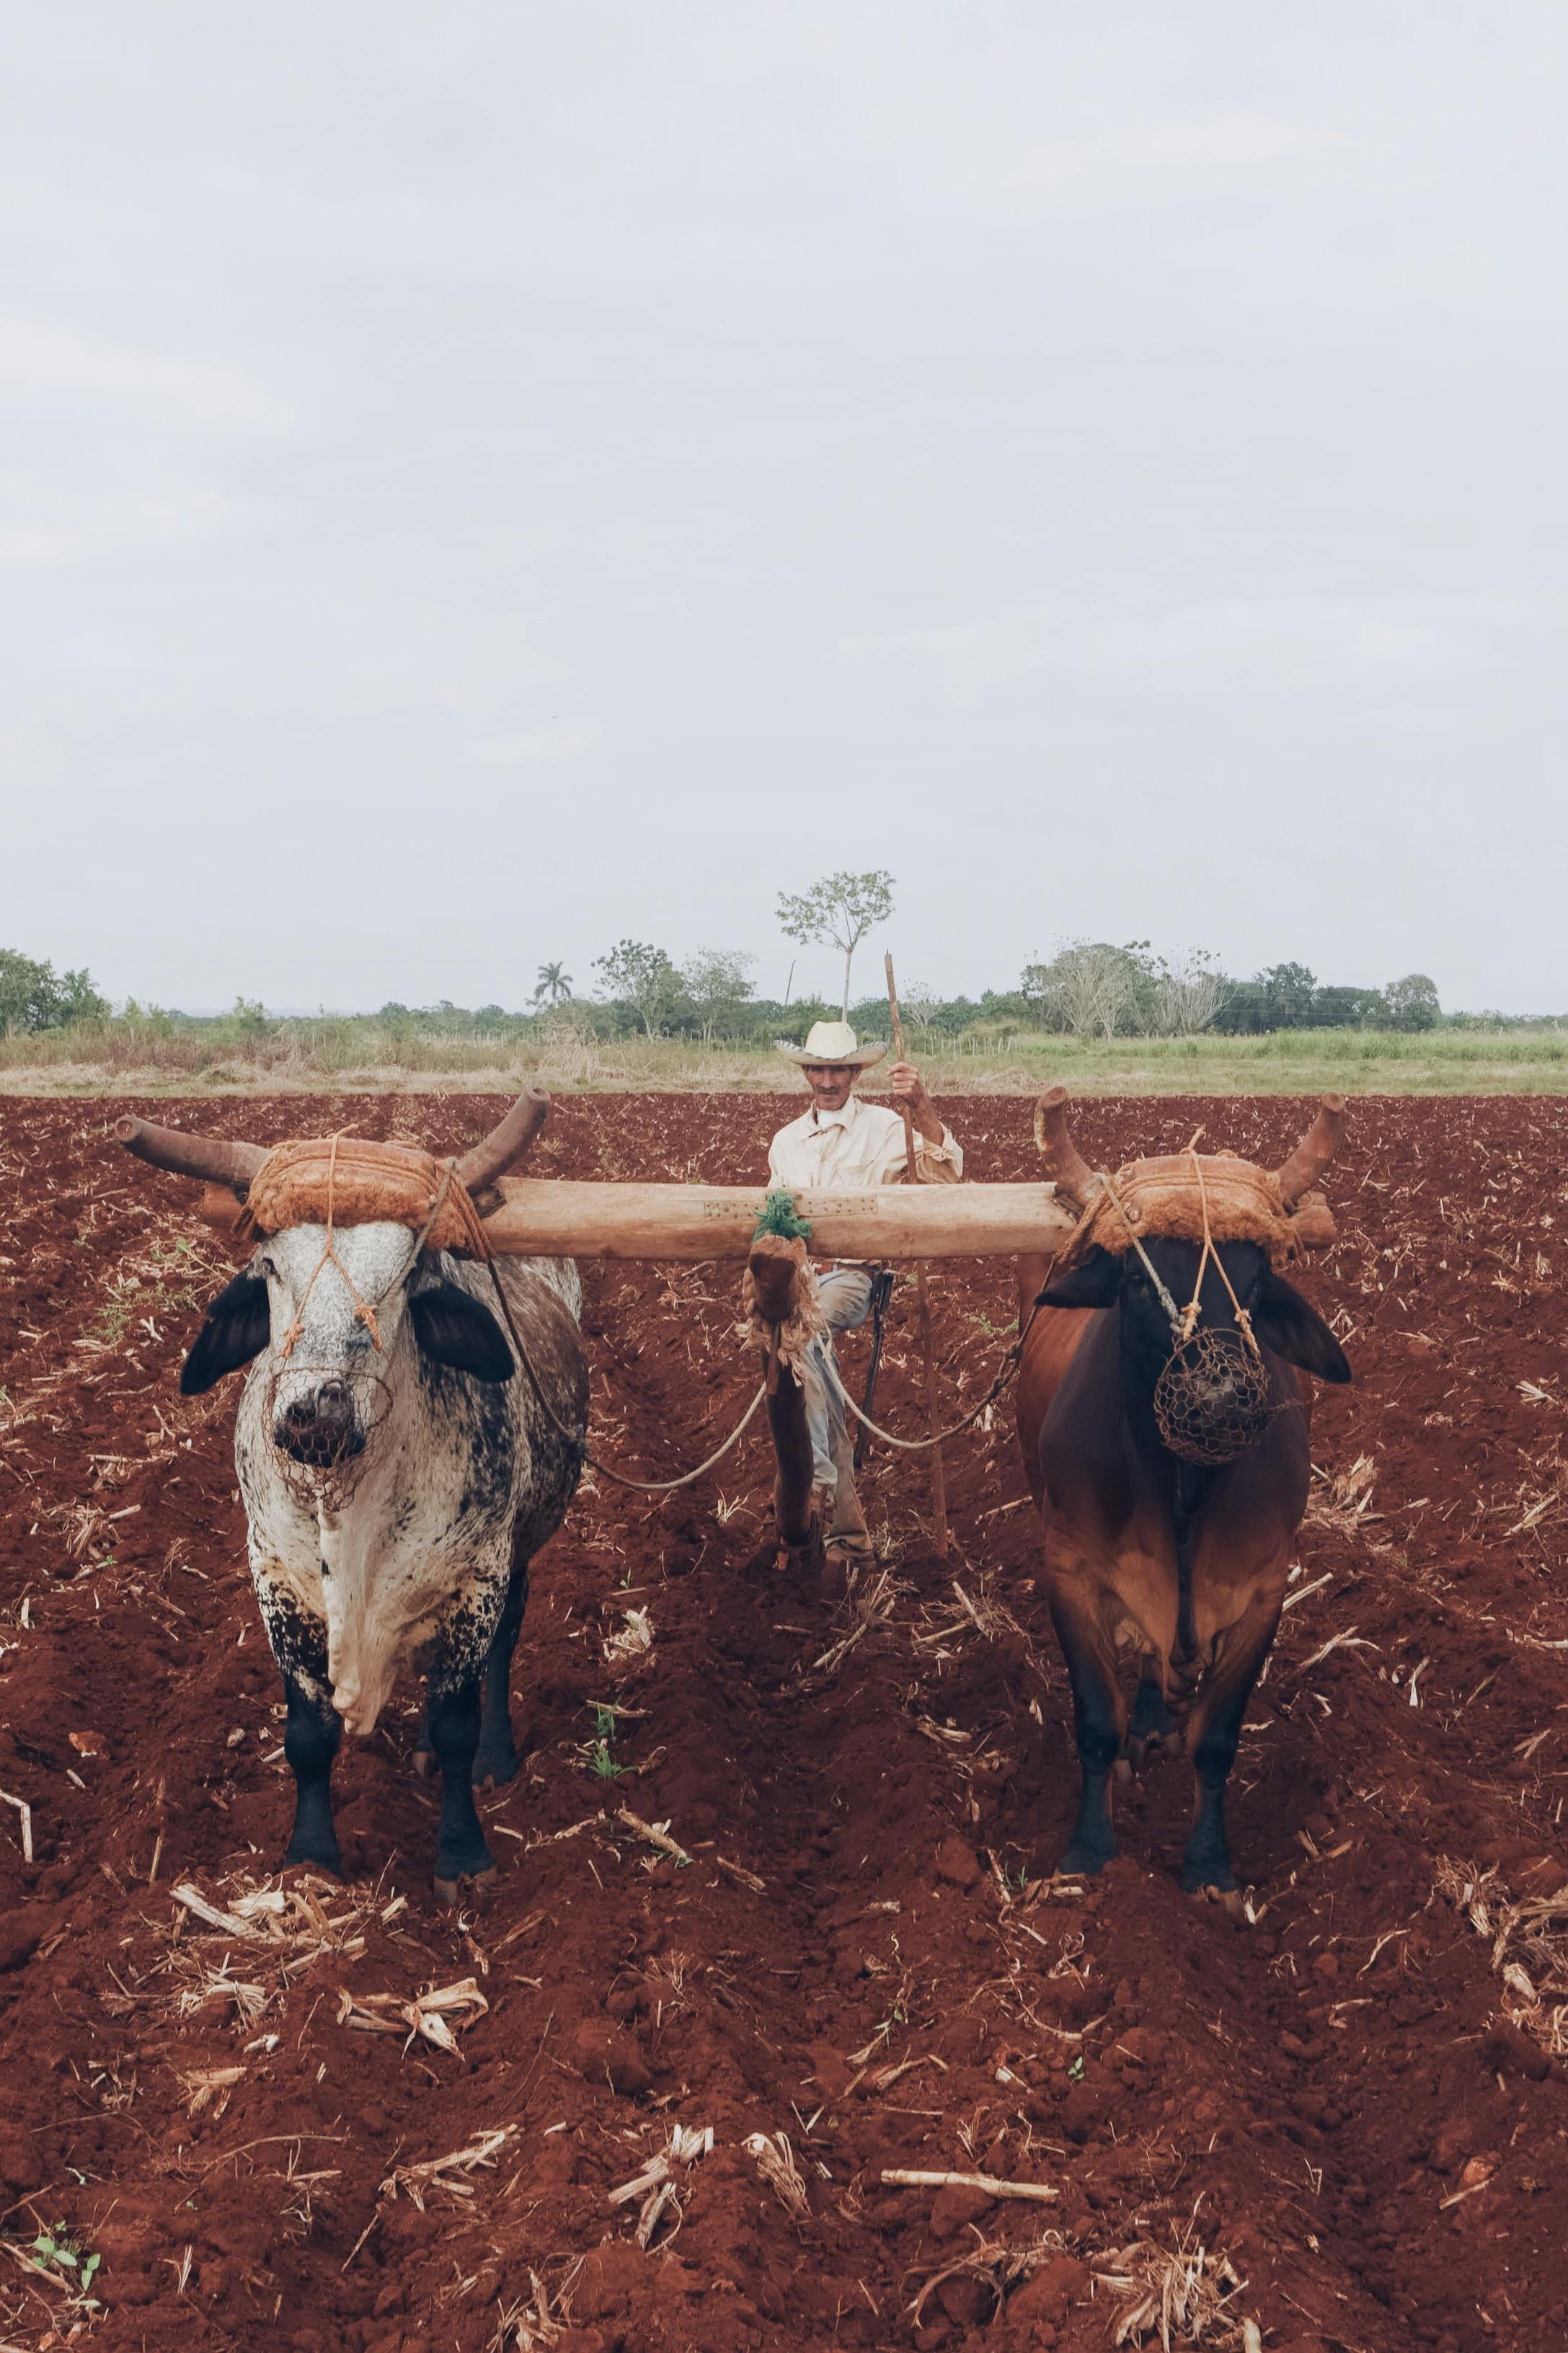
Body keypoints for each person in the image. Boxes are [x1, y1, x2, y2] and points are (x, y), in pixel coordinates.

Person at [768, 1019, 963, 1557]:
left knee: (800, 1338)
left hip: (853, 1276)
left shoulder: (885, 1127)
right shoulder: (785, 1143)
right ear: (805, 1072)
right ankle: (847, 1534)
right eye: (817, 1068)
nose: (826, 1080)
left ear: (854, 1072)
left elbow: (947, 1178)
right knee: (802, 1370)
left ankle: (817, 1484)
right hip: (798, 1279)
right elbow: (771, 1217)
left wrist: (920, 1106)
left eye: (837, 1069)